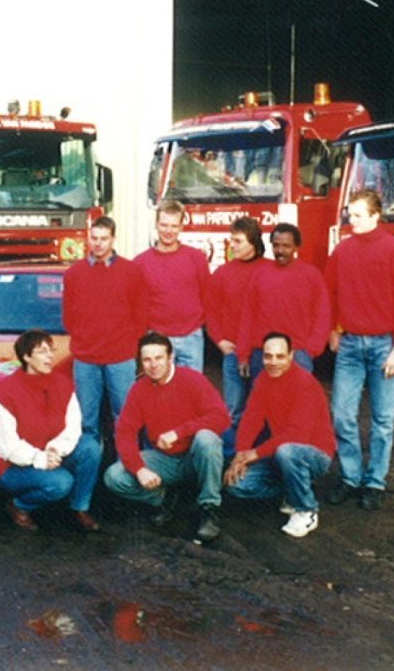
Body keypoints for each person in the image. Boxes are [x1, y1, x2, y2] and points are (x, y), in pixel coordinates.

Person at [325, 188, 394, 511]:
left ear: (376, 216)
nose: (353, 221)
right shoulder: (342, 251)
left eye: (359, 216)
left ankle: (375, 481)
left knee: (383, 420)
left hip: (384, 345)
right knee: (341, 414)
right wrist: (333, 329)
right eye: (350, 215)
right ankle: (351, 476)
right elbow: (331, 293)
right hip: (350, 344)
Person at [102, 331, 229, 541]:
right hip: (165, 460)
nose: (153, 365)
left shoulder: (192, 379)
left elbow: (221, 418)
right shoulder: (139, 389)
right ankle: (164, 498)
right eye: (147, 360)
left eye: (159, 358)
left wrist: (179, 432)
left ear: (170, 358)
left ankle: (209, 507)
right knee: (114, 477)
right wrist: (139, 469)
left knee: (207, 439)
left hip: (195, 457)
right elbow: (125, 432)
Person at [0, 329, 102, 533]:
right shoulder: (6, 393)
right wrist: (40, 459)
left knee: (90, 446)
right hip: (12, 465)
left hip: (51, 452)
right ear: (26, 357)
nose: (50, 356)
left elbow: (73, 426)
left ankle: (79, 508)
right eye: (42, 351)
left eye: (51, 350)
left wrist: (56, 449)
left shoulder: (63, 384)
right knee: (62, 482)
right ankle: (19, 506)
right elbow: (6, 448)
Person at [223, 332, 336, 538]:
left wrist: (255, 453)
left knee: (287, 450)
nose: (273, 362)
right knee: (237, 485)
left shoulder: (304, 383)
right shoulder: (262, 380)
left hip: (314, 454)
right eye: (268, 356)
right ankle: (292, 491)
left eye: (280, 356)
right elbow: (251, 420)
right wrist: (240, 455)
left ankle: (306, 509)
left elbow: (297, 435)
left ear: (291, 355)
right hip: (281, 454)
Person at [62, 215, 147, 443]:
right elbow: (68, 317)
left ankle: (126, 472)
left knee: (125, 419)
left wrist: (128, 344)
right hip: (86, 360)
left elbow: (141, 315)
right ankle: (90, 474)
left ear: (113, 239)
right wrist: (83, 339)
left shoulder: (131, 271)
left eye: (104, 239)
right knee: (86, 422)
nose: (98, 243)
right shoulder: (74, 274)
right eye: (94, 238)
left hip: (121, 359)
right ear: (88, 238)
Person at [235, 223, 332, 375]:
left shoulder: (311, 276)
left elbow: (323, 315)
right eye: (276, 245)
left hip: (298, 355)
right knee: (262, 399)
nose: (280, 251)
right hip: (263, 355)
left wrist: (311, 350)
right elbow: (248, 316)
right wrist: (243, 356)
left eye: (286, 246)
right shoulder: (260, 274)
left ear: (296, 247)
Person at [204, 216, 264, 448]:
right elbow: (211, 312)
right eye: (231, 241)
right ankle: (231, 457)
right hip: (232, 351)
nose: (233, 246)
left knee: (261, 408)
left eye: (238, 241)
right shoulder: (222, 273)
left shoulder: (267, 269)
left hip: (260, 352)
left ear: (253, 242)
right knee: (233, 410)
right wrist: (220, 341)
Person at [135, 200, 211, 372]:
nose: (168, 231)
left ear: (181, 227)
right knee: (159, 395)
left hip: (191, 338)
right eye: (164, 225)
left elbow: (207, 296)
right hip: (156, 340)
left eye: (173, 226)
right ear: (156, 225)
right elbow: (137, 306)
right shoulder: (140, 263)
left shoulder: (196, 258)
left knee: (191, 394)